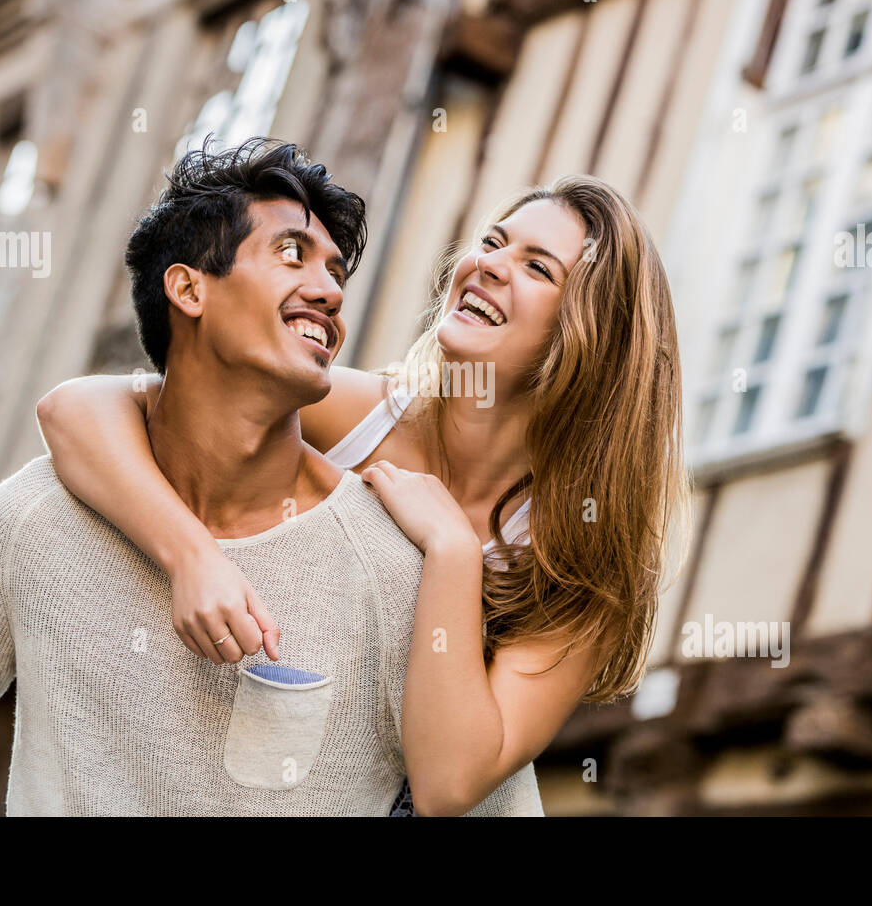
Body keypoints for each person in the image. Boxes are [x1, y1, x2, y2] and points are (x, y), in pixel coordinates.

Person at [0, 138, 538, 816]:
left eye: (337, 272)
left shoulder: (395, 569)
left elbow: (489, 803)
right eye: (291, 255)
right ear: (189, 287)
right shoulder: (27, 517)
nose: (330, 292)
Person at [37, 157, 691, 816]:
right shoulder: (358, 413)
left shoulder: (584, 560)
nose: (489, 264)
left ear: (588, 336)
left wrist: (452, 551)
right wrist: (190, 557)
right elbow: (74, 412)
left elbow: (448, 782)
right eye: (493, 242)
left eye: (537, 267)